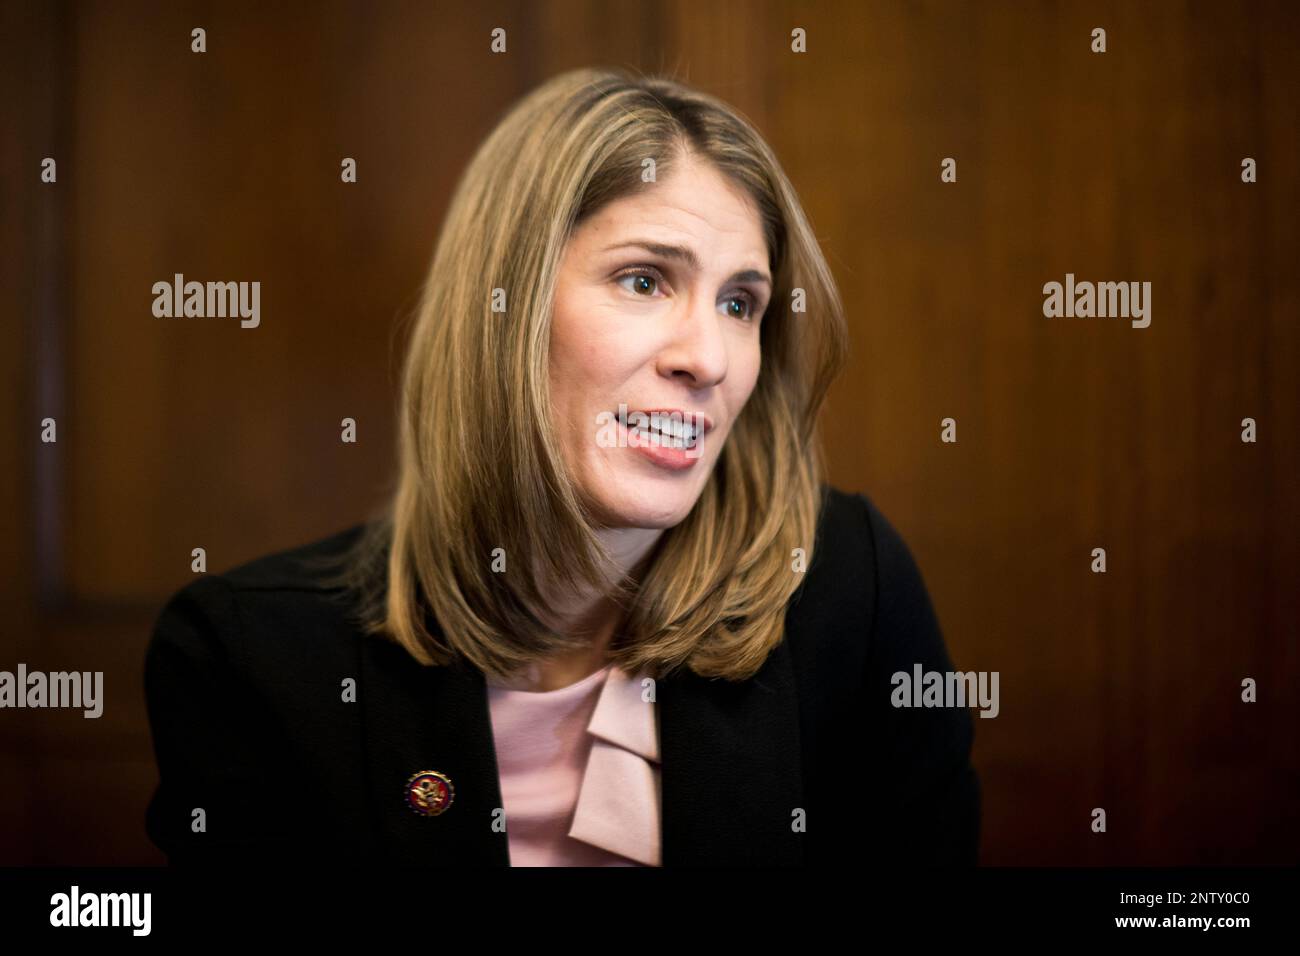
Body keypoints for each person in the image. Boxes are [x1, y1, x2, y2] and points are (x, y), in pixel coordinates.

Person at [143, 66, 980, 867]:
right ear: (502, 311)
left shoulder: (847, 592)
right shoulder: (248, 658)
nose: (710, 358)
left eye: (739, 303)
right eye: (645, 279)